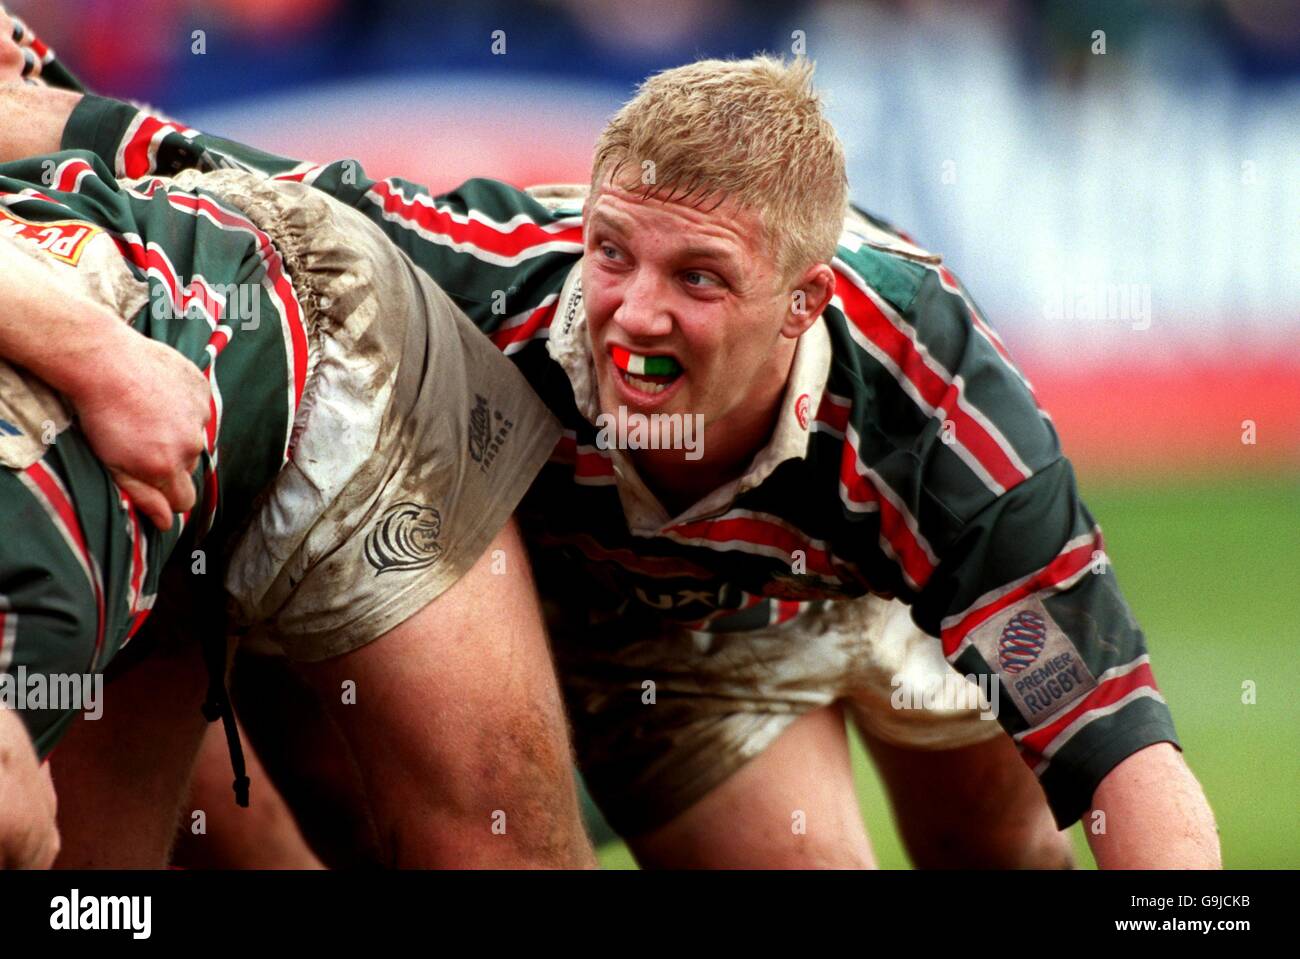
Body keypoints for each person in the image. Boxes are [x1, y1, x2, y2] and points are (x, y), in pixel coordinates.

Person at [11, 27, 1220, 868]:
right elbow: (237, 179)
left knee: (1000, 847)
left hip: (888, 588)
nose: (634, 314)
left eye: (698, 277)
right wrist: (37, 112)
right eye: (612, 252)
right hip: (671, 641)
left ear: (805, 305)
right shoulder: (492, 293)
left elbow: (1111, 741)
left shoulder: (939, 409)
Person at [0, 71, 594, 868]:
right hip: (132, 440)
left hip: (293, 313)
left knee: (491, 844)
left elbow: (15, 814)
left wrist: (103, 361)